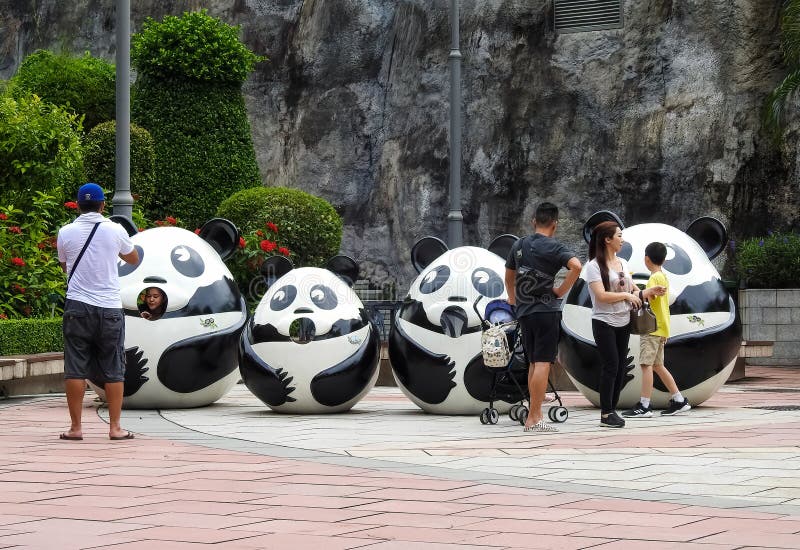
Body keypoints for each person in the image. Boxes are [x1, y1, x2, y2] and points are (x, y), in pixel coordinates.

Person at [57, 183, 139, 441]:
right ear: (103, 205)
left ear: (78, 204)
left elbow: (63, 265)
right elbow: (133, 258)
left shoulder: (65, 232)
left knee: (75, 367)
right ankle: (115, 428)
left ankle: (76, 428)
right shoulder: (115, 230)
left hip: (77, 306)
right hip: (109, 308)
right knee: (114, 367)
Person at [505, 202, 582, 432]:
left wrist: (513, 301)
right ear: (555, 224)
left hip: (525, 313)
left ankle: (533, 413)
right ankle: (535, 418)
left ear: (533, 222)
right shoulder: (555, 247)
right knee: (542, 363)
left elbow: (509, 277)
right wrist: (560, 290)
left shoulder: (518, 245)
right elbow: (576, 266)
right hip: (547, 311)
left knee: (531, 363)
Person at [585, 221, 665, 428]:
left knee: (621, 367)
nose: (622, 239)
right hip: (603, 322)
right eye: (619, 235)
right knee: (611, 365)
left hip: (623, 321)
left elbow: (632, 292)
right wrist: (626, 296)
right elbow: (601, 296)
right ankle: (606, 413)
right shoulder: (593, 266)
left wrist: (648, 292)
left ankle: (611, 409)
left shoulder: (622, 263)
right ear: (607, 239)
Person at [622, 242, 691, 418]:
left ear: (646, 259)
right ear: (664, 260)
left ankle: (644, 405)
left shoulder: (653, 279)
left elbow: (645, 300)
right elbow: (654, 299)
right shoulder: (662, 277)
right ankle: (679, 399)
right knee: (658, 366)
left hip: (651, 328)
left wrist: (630, 287)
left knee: (646, 365)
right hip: (661, 327)